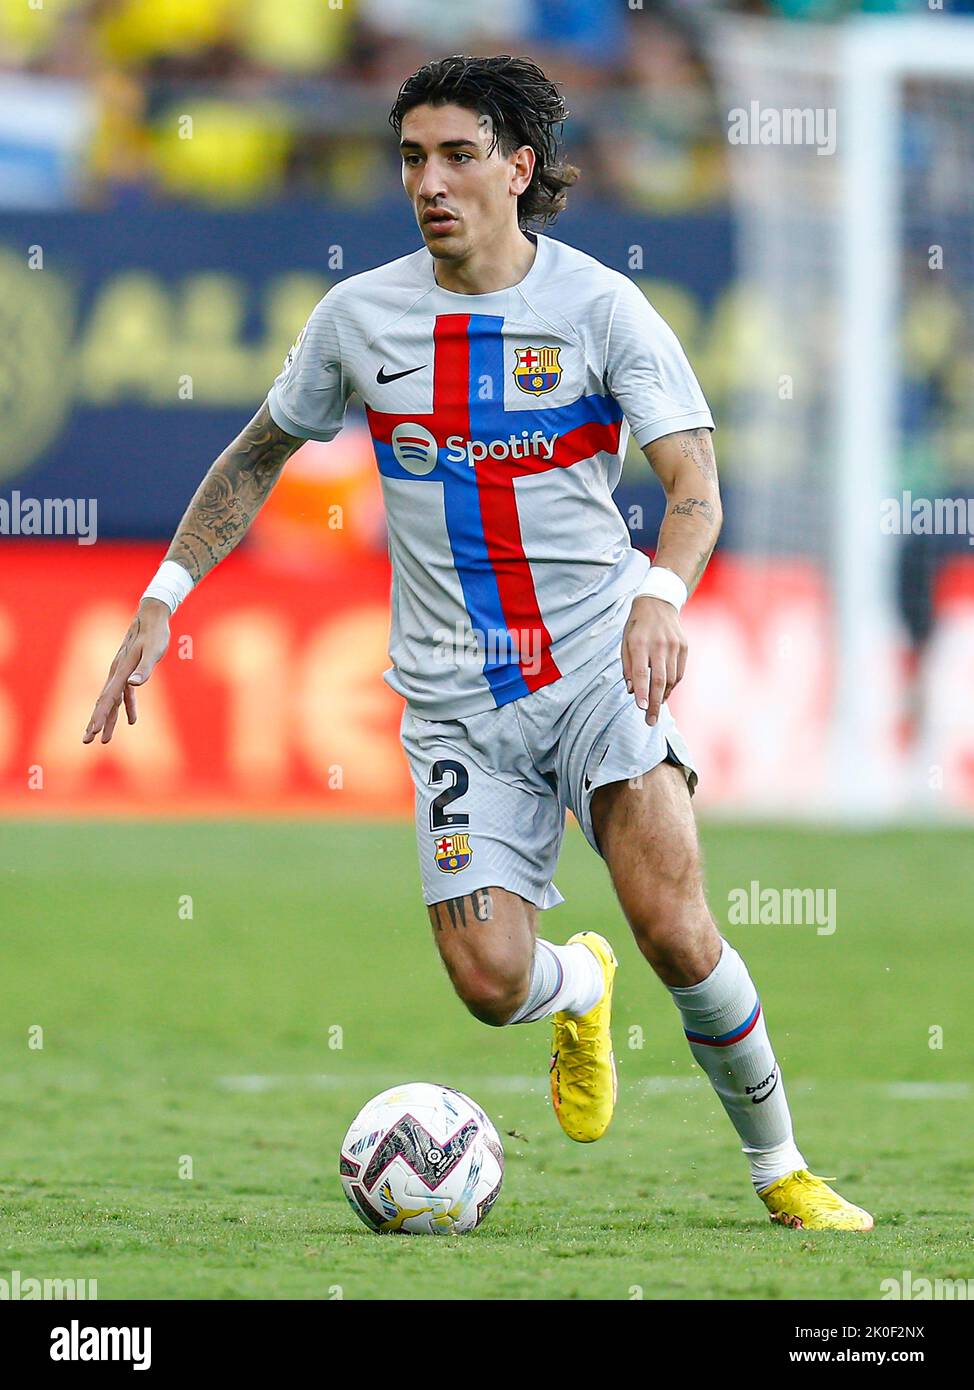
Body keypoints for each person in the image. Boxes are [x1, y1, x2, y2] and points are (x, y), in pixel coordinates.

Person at [84, 54, 872, 1231]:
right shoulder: (360, 318)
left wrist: (659, 591)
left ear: (518, 167)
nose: (429, 182)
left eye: (457, 155)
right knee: (490, 982)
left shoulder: (603, 309)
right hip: (455, 704)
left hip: (597, 661)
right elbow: (257, 452)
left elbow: (693, 485)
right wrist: (163, 591)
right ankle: (577, 982)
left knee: (672, 920)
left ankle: (780, 1168)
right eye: (411, 157)